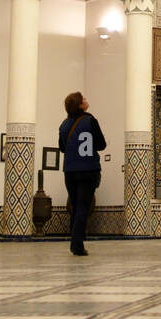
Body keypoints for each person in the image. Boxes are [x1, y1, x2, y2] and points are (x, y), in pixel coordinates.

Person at [58, 91, 106, 256]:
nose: (86, 100)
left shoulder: (64, 125)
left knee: (75, 205)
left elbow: (62, 147)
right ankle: (77, 244)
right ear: (80, 105)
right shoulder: (90, 120)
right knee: (82, 208)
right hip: (88, 170)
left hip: (69, 171)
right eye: (83, 99)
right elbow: (101, 144)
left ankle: (75, 241)